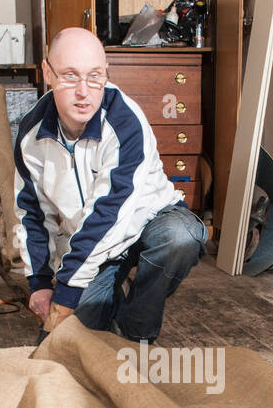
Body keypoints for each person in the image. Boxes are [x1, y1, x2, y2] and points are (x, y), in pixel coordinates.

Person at [14, 27, 207, 344]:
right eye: (70, 76)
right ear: (47, 73)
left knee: (180, 238)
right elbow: (31, 213)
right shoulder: (31, 135)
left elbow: (109, 213)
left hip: (148, 223)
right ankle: (108, 298)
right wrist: (39, 282)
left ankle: (136, 330)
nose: (83, 91)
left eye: (94, 76)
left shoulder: (124, 121)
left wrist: (65, 296)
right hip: (95, 250)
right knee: (61, 350)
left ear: (106, 73)